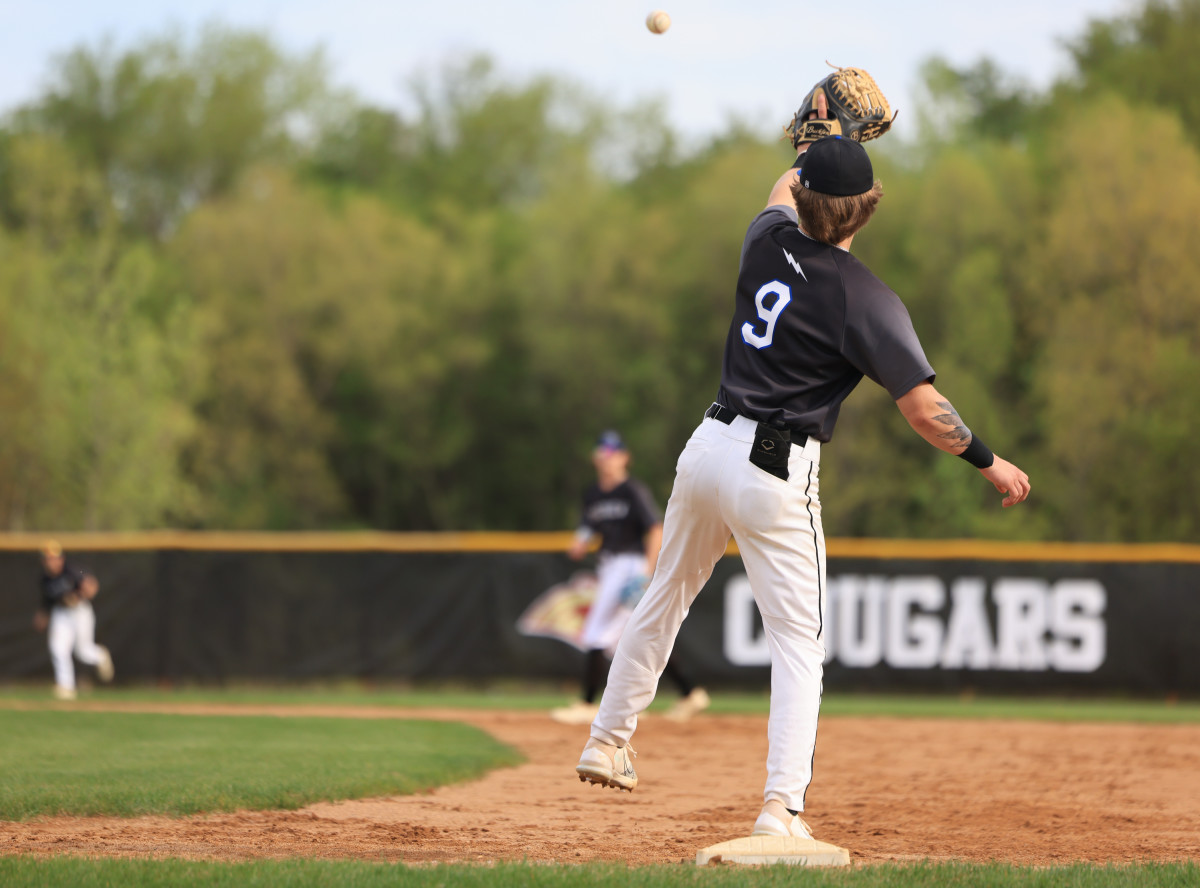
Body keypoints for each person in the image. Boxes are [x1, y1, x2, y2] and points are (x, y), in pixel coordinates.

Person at [573, 133, 1031, 839]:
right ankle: (780, 811)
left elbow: (781, 190)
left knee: (663, 598)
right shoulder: (865, 298)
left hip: (707, 446)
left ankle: (606, 739)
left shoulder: (766, 237)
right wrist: (989, 461)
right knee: (798, 642)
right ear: (868, 209)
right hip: (773, 469)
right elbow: (923, 409)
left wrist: (812, 137)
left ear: (805, 192)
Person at [550, 430, 710, 725]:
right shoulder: (594, 494)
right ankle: (690, 692)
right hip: (609, 565)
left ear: (624, 458)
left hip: (632, 566)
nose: (606, 459)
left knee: (597, 632)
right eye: (602, 453)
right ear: (595, 458)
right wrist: (580, 542)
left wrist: (646, 573)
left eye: (612, 453)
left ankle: (587, 703)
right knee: (638, 635)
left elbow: (654, 529)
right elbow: (588, 525)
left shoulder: (632, 491)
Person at [34, 540, 114, 700]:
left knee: (83, 651)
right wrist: (43, 615)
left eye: (54, 558)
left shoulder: (73, 571)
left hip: (79, 611)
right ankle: (66, 687)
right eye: (48, 559)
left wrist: (81, 594)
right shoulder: (45, 579)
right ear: (44, 561)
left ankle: (100, 656)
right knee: (58, 648)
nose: (51, 562)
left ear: (61, 559)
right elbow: (47, 600)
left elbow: (91, 583)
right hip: (60, 613)